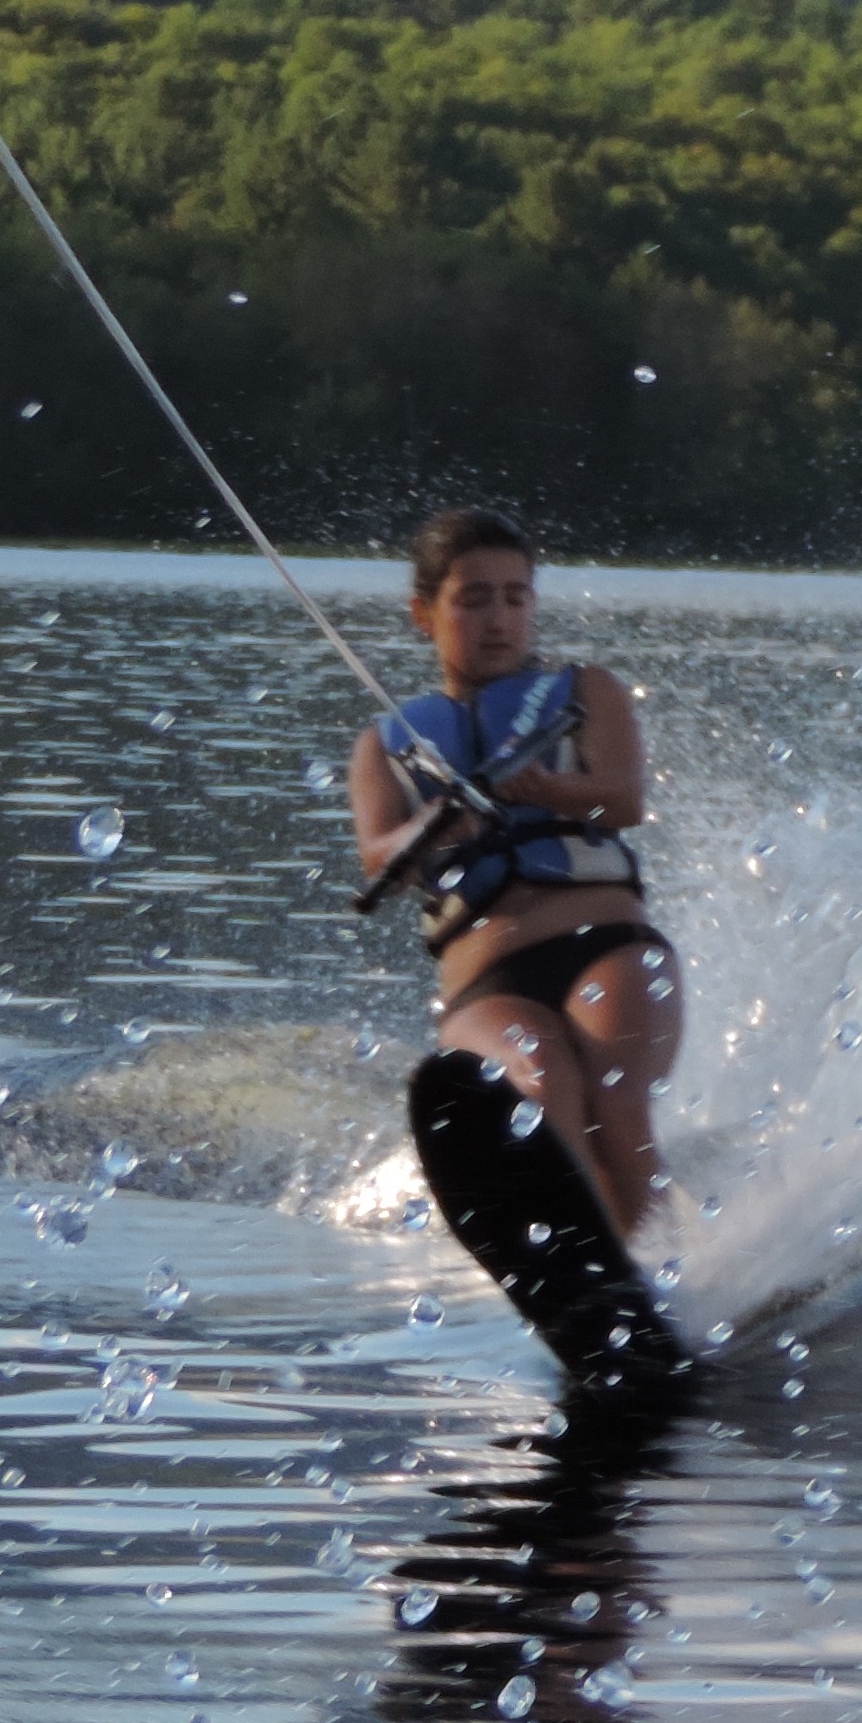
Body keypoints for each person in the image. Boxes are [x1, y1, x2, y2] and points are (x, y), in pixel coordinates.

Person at [347, 507, 694, 1407]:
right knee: (540, 1082)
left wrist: (547, 789)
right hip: (486, 979)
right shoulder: (388, 746)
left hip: (608, 946)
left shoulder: (587, 693)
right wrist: (433, 824)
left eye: (515, 598)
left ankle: (662, 1289)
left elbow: (622, 799)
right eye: (474, 600)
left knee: (613, 1092)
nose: (500, 619)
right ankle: (596, 1287)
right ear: (425, 614)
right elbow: (379, 858)